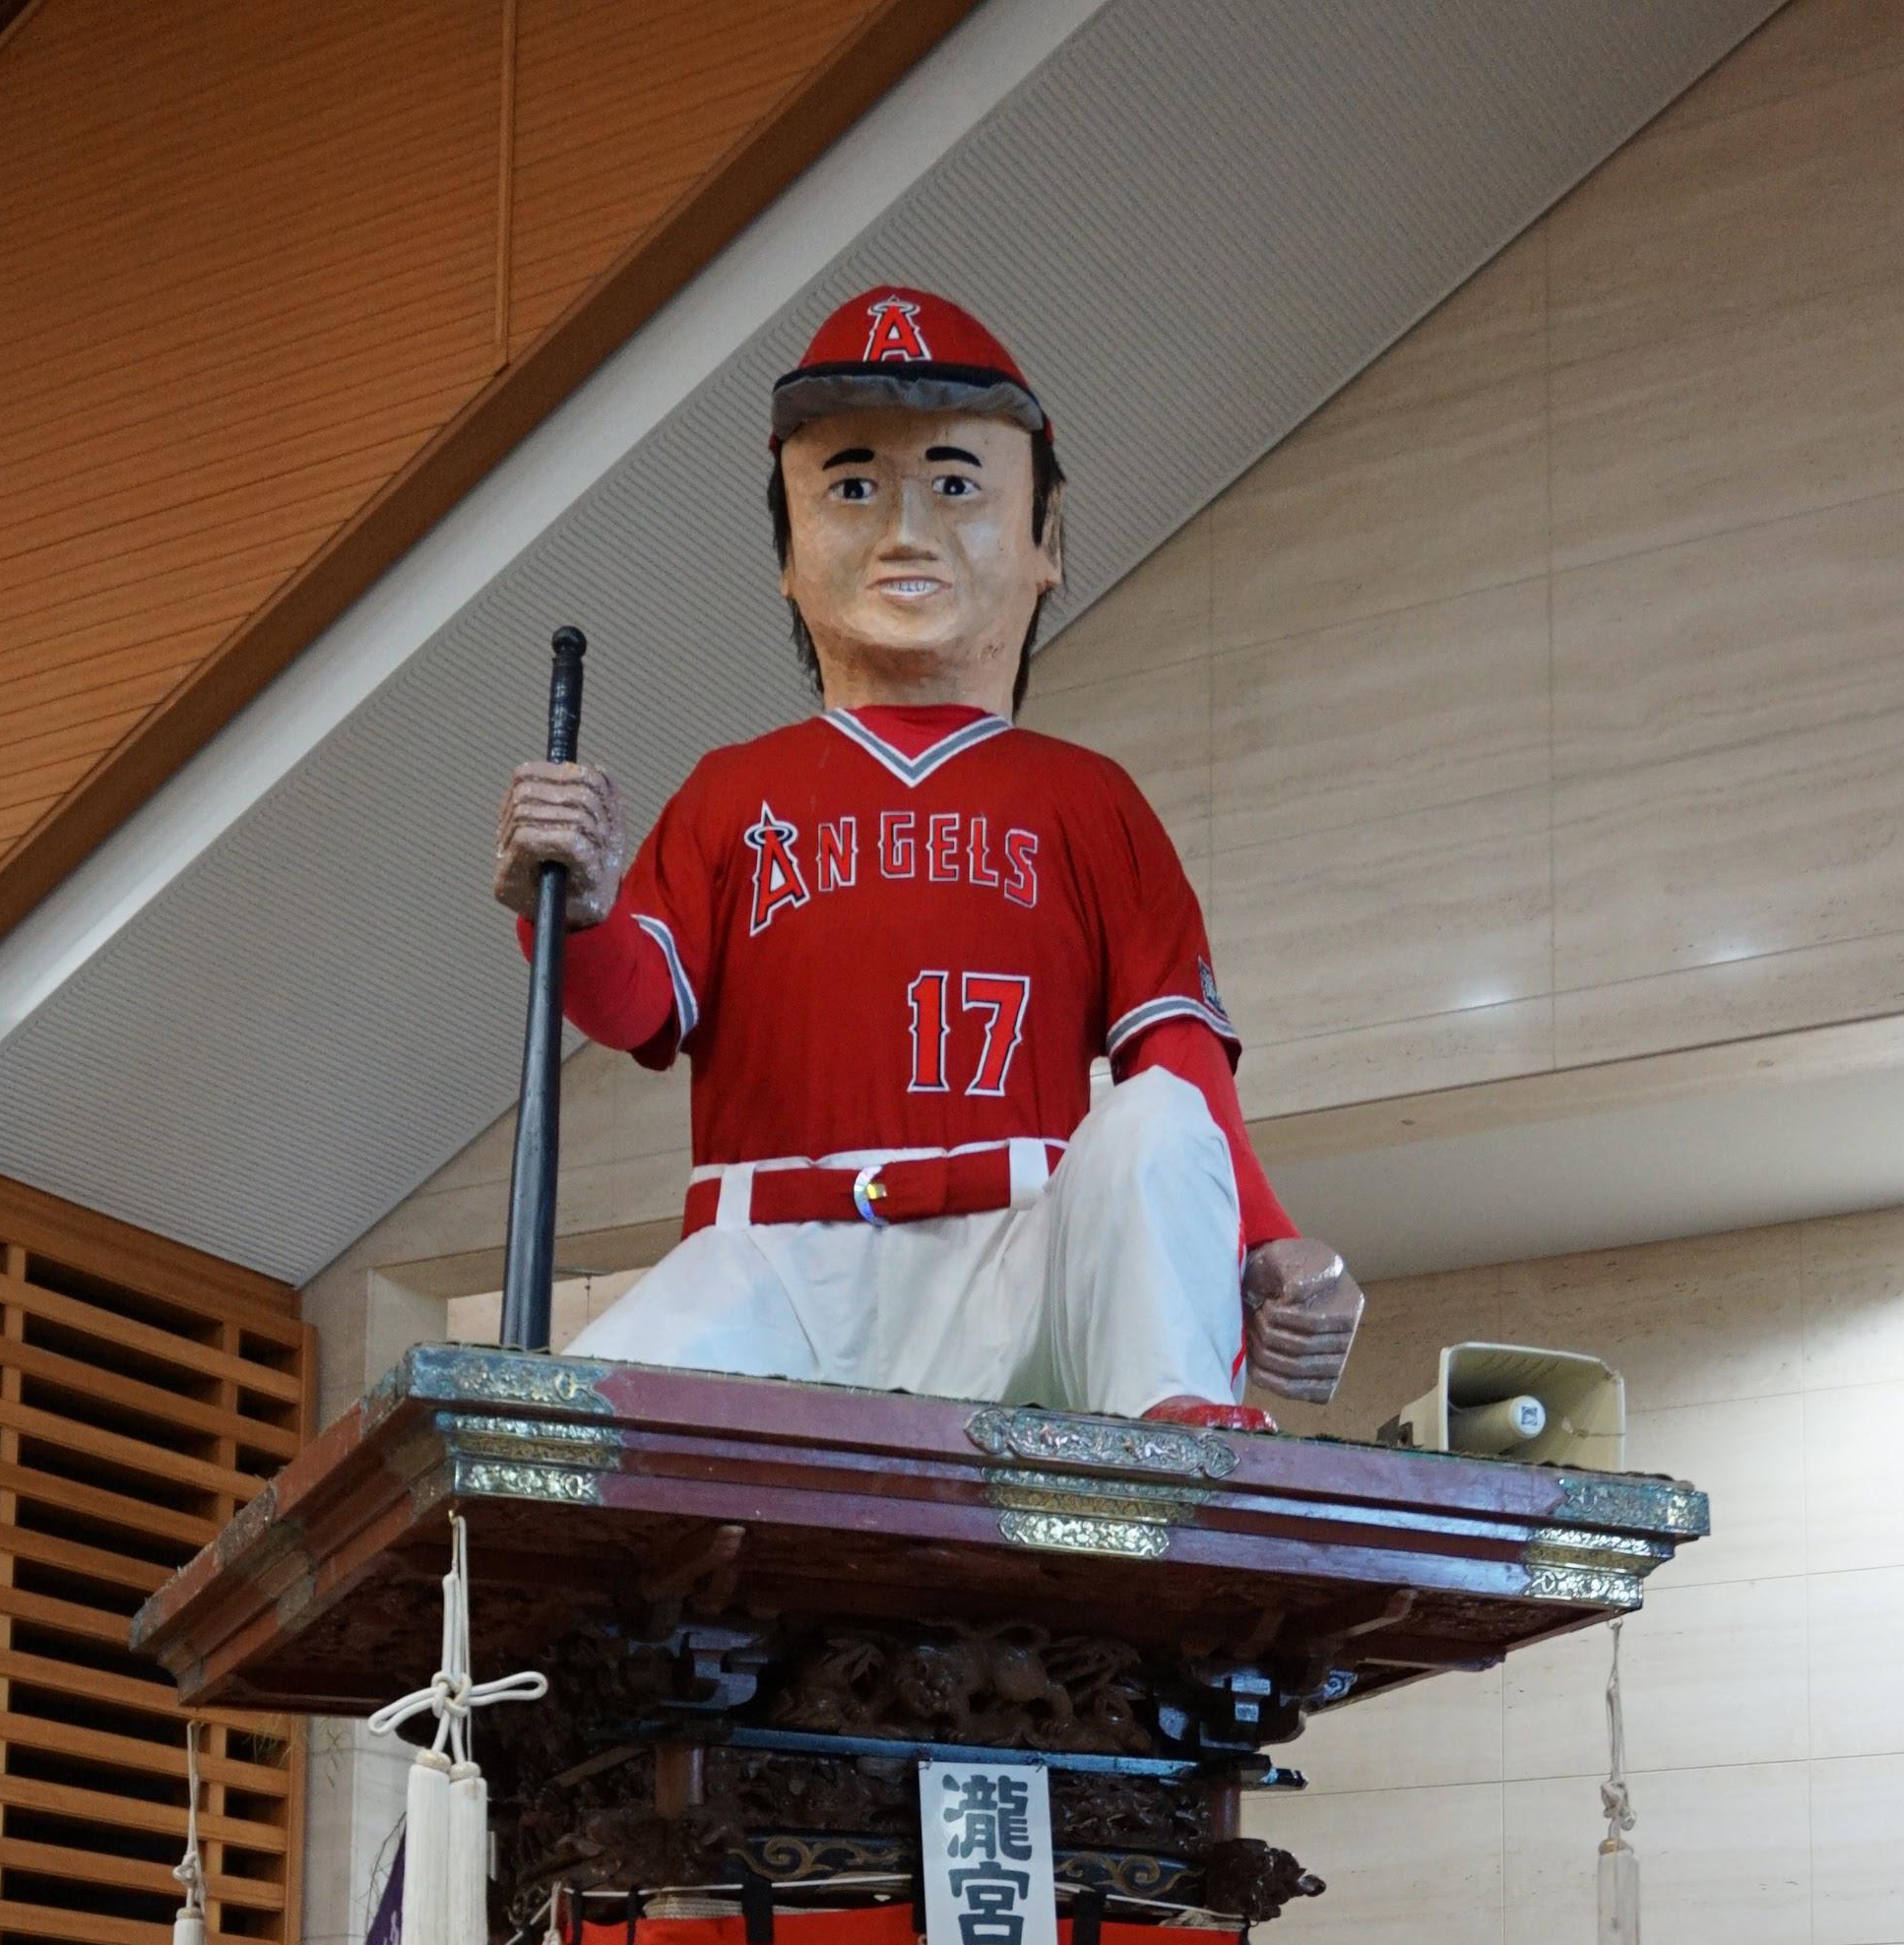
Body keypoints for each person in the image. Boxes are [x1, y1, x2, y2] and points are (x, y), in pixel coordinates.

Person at [492, 285, 1361, 1427]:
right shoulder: (731, 788)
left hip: (1022, 1254)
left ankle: (1174, 1467)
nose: (905, 530)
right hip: (769, 1256)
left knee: (1152, 1122)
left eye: (956, 485)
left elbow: (1181, 1067)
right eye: (852, 486)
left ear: (1044, 543)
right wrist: (577, 900)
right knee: (558, 1442)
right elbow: (637, 1002)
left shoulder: (1088, 800)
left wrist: (1266, 1237)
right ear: (788, 557)